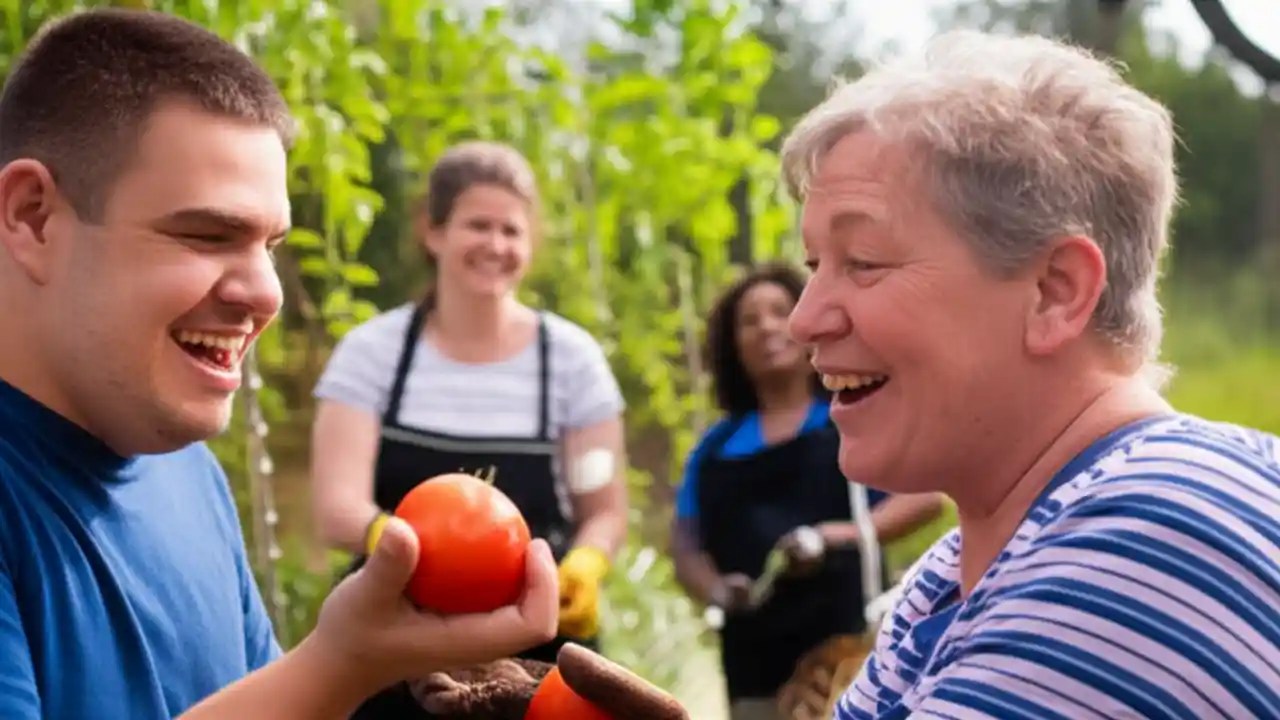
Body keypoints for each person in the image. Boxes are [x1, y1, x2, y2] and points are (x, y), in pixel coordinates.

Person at [0, 9, 559, 720]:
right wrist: (339, 665)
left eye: (269, 245)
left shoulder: (187, 472)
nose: (266, 294)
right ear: (33, 217)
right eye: (206, 233)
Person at [779, 29, 1280, 720]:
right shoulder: (953, 576)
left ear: (1055, 292)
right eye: (814, 267)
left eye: (863, 261)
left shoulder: (1150, 537)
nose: (805, 320)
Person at [308, 142, 628, 664]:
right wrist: (407, 549)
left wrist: (588, 563)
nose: (495, 244)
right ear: (434, 233)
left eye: (512, 231)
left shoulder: (572, 360)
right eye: (478, 226)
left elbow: (605, 508)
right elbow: (336, 509)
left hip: (536, 639)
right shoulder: (372, 353)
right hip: (397, 637)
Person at [669, 262, 944, 720]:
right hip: (753, 670)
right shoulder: (714, 450)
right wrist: (716, 589)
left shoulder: (849, 418)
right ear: (731, 345)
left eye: (780, 311)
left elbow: (927, 498)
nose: (767, 328)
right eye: (749, 320)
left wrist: (834, 537)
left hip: (848, 658)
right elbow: (685, 545)